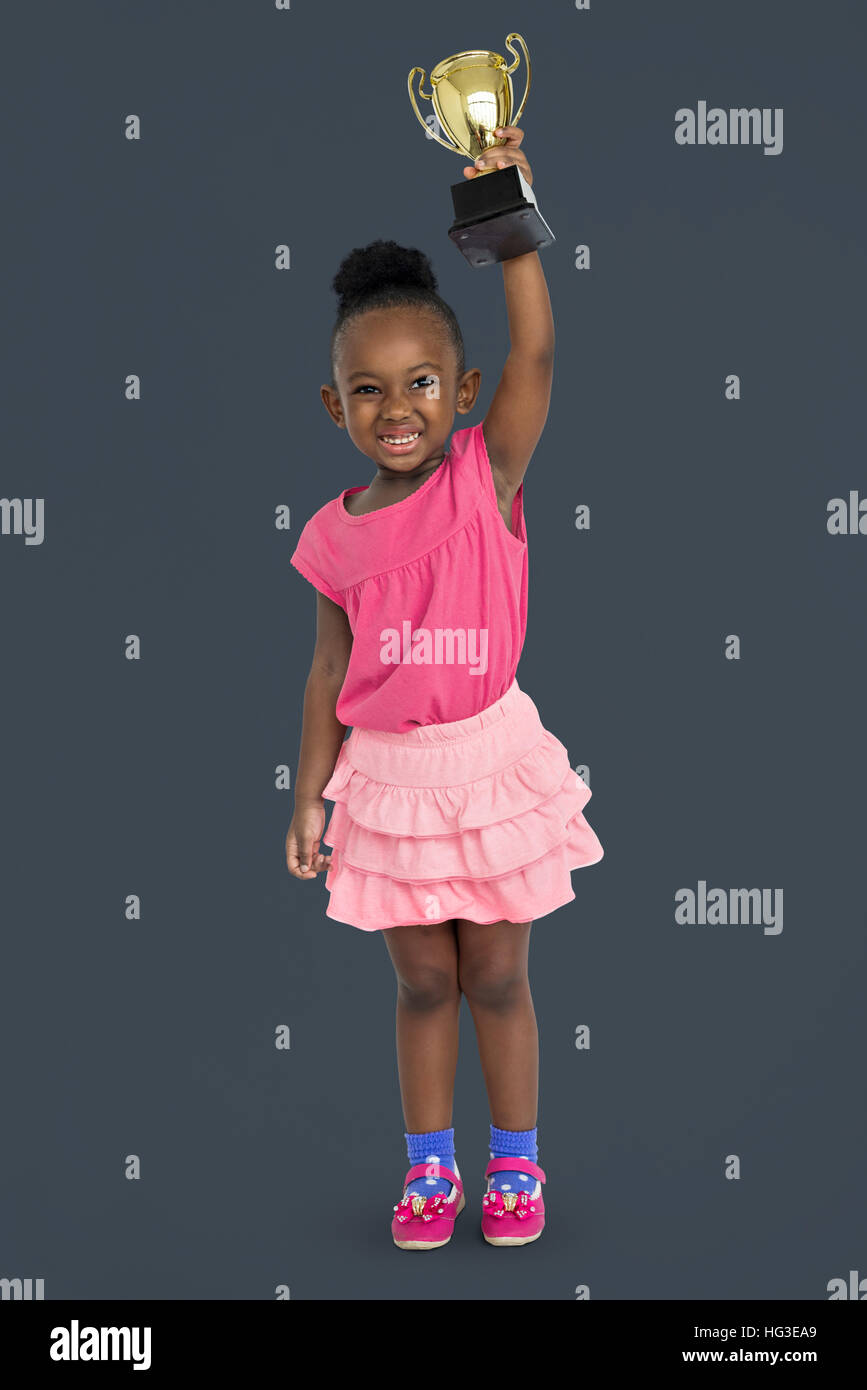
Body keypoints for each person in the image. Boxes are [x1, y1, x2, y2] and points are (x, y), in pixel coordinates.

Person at [286, 127, 603, 1251]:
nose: (397, 407)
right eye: (367, 391)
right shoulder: (331, 537)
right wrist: (308, 796)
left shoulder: (488, 473)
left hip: (488, 759)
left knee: (498, 973)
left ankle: (516, 1165)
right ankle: (431, 1171)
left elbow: (541, 353)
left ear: (461, 390)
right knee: (425, 982)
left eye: (421, 383)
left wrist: (503, 204)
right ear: (336, 409)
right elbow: (330, 670)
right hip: (388, 778)